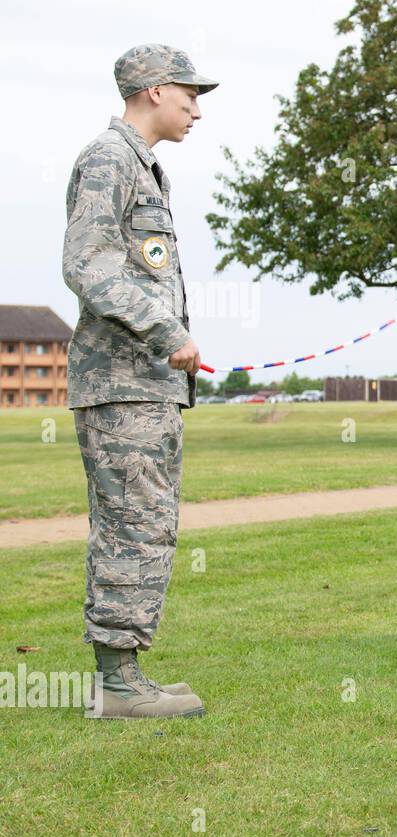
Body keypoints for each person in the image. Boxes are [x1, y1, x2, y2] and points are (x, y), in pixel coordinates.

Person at [64, 44, 218, 719]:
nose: (196, 109)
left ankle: (123, 675)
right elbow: (87, 265)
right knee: (134, 523)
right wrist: (167, 333)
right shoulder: (108, 158)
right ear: (154, 90)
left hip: (145, 386)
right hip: (123, 383)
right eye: (189, 94)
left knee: (146, 523)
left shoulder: (141, 167)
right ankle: (119, 686)